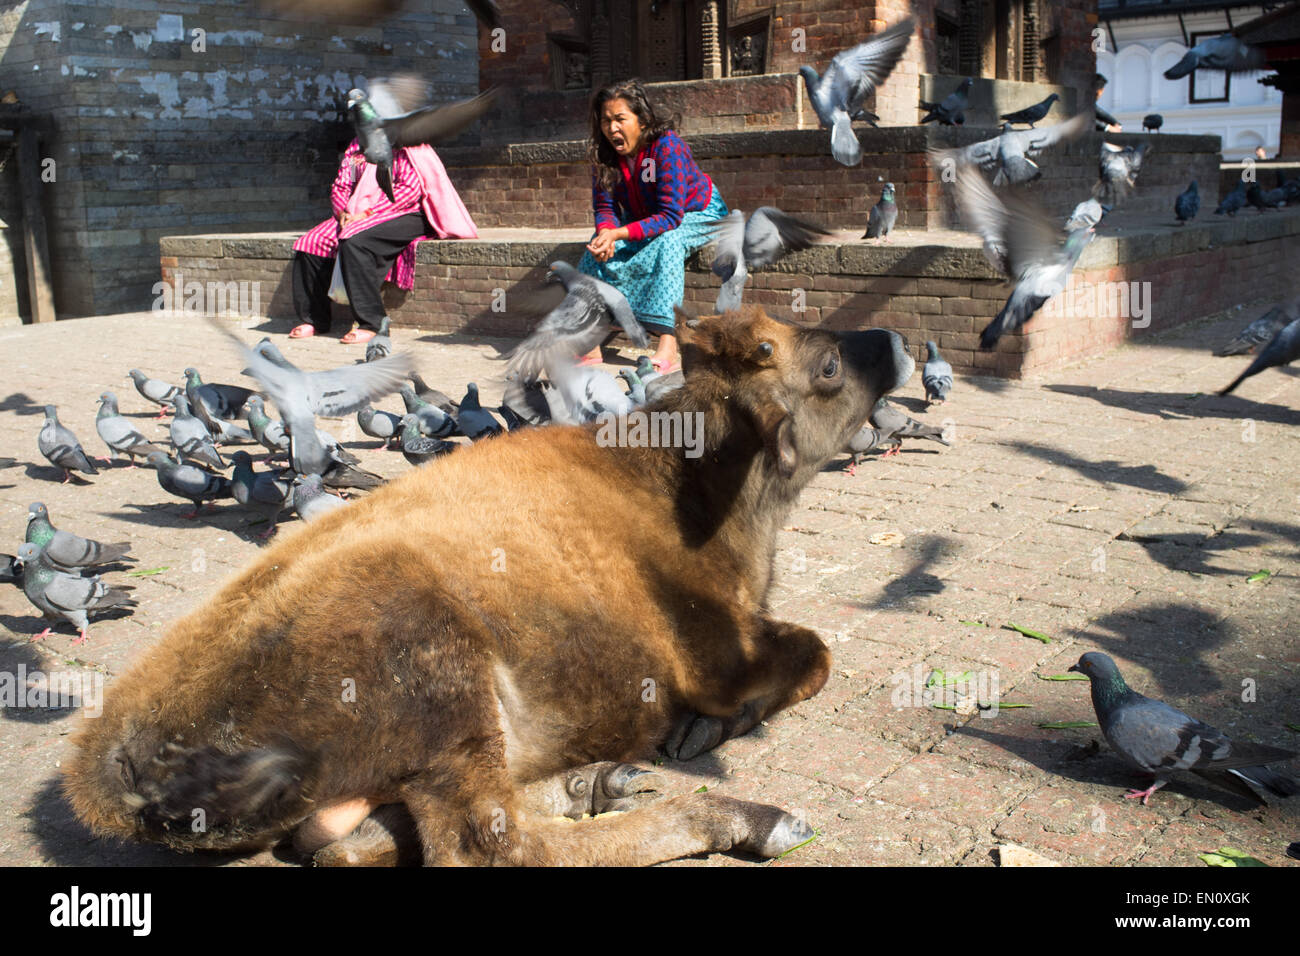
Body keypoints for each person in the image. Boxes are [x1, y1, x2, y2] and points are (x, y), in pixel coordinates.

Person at [578, 79, 728, 372]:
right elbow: (606, 208)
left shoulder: (666, 147)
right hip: (645, 216)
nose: (612, 128)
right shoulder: (605, 156)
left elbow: (671, 216)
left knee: (667, 240)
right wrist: (607, 232)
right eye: (606, 121)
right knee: (596, 246)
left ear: (642, 120)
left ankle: (670, 340)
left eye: (620, 119)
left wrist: (620, 231)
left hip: (698, 212)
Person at [290, 139, 478, 344]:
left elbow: (408, 190)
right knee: (310, 242)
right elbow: (345, 182)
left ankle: (372, 323)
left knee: (354, 241)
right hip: (355, 212)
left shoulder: (408, 146)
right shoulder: (357, 148)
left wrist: (367, 214)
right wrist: (342, 210)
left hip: (407, 213)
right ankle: (314, 319)